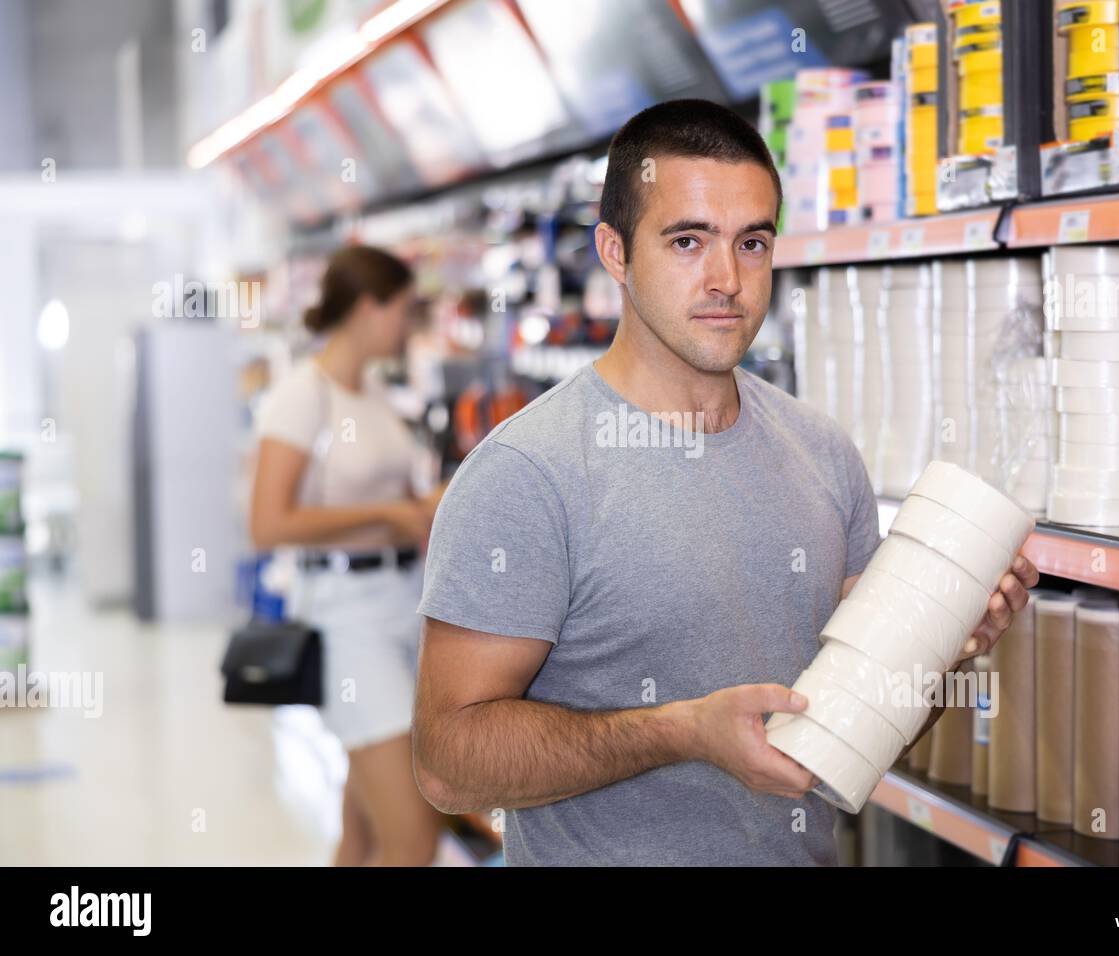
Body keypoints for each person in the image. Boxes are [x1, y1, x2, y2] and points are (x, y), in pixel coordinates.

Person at [412, 100, 1039, 865]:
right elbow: (448, 763)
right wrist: (680, 733)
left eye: (752, 243)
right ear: (615, 251)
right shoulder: (528, 474)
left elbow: (857, 736)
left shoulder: (823, 453)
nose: (727, 280)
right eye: (687, 241)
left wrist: (946, 649)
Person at [250, 245, 444, 866]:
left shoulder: (375, 393)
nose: (409, 324)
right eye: (403, 309)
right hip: (345, 618)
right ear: (368, 306)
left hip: (401, 605)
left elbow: (397, 493)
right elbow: (267, 523)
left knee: (360, 835)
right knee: (413, 838)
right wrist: (387, 514)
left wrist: (432, 501)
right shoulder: (302, 396)